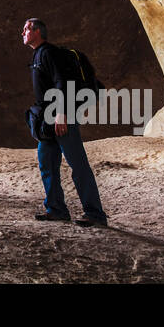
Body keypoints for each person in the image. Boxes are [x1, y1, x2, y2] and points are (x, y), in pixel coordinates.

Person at [23, 17, 108, 227]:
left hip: (60, 117)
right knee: (47, 163)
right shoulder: (38, 54)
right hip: (47, 121)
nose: (22, 32)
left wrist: (62, 113)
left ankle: (95, 214)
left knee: (78, 165)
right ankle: (56, 209)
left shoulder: (50, 53)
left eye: (26, 29)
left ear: (37, 32)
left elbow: (64, 82)